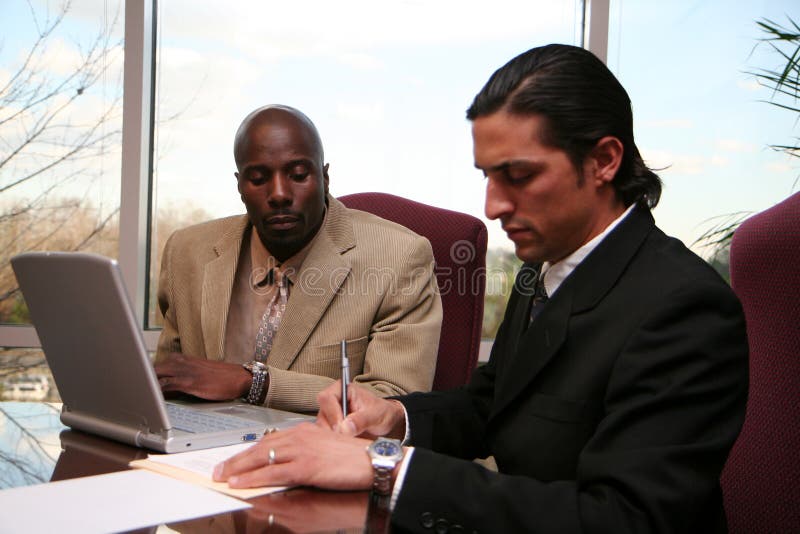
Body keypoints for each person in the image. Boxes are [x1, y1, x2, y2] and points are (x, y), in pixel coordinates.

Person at [213, 45, 749, 533]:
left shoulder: (685, 307)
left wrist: (387, 469)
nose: (492, 206)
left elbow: (624, 519)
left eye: (517, 175)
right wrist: (395, 419)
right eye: (488, 177)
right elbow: (490, 405)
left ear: (604, 161)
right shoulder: (545, 268)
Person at [154, 105, 442, 413]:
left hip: (323, 452)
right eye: (258, 178)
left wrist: (254, 382)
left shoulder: (398, 258)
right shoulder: (186, 253)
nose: (279, 193)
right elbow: (167, 382)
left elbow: (394, 399)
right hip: (196, 450)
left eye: (298, 175)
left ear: (325, 178)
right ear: (239, 185)